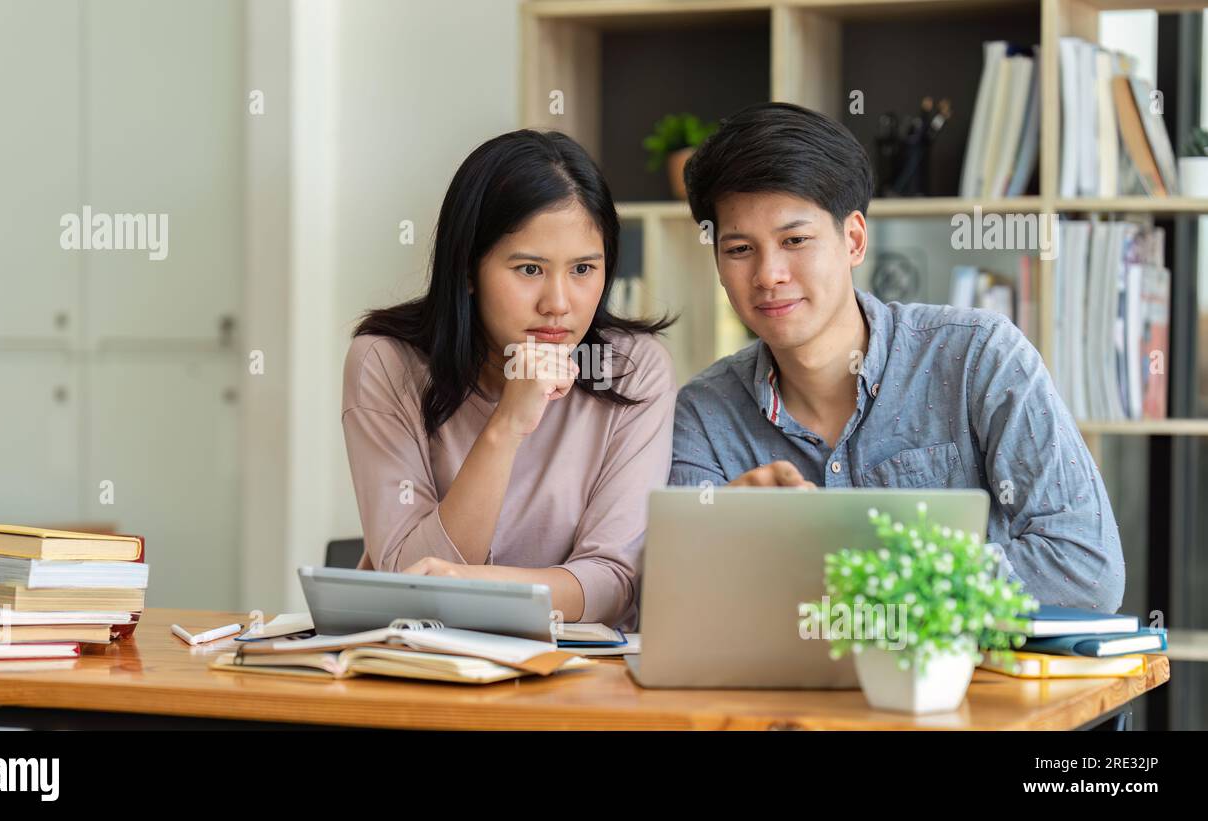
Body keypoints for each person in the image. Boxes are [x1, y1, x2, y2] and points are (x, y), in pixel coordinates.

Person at [669, 101, 1124, 613]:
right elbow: (674, 606)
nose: (769, 274)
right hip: (786, 691)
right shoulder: (704, 414)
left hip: (969, 687)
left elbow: (1086, 570)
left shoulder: (979, 357)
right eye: (739, 250)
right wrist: (716, 543)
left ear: (854, 240)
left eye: (795, 240)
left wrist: (858, 564)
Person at [343, 129, 675, 630]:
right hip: (424, 673)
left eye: (584, 268)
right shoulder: (386, 363)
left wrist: (474, 587)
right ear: (469, 270)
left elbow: (612, 583)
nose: (558, 304)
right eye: (529, 269)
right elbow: (409, 582)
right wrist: (507, 425)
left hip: (578, 678)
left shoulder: (633, 370)